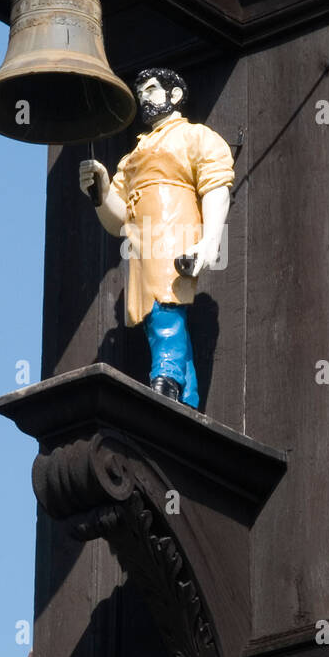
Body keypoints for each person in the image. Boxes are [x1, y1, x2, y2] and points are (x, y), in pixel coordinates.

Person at [79, 68, 234, 408]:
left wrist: (208, 243)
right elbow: (117, 219)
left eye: (151, 90)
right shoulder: (133, 157)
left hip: (174, 229)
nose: (144, 99)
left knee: (166, 304)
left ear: (175, 95)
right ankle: (187, 398)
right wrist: (100, 192)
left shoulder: (195, 137)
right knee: (154, 311)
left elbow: (216, 188)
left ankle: (166, 378)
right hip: (142, 240)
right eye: (142, 93)